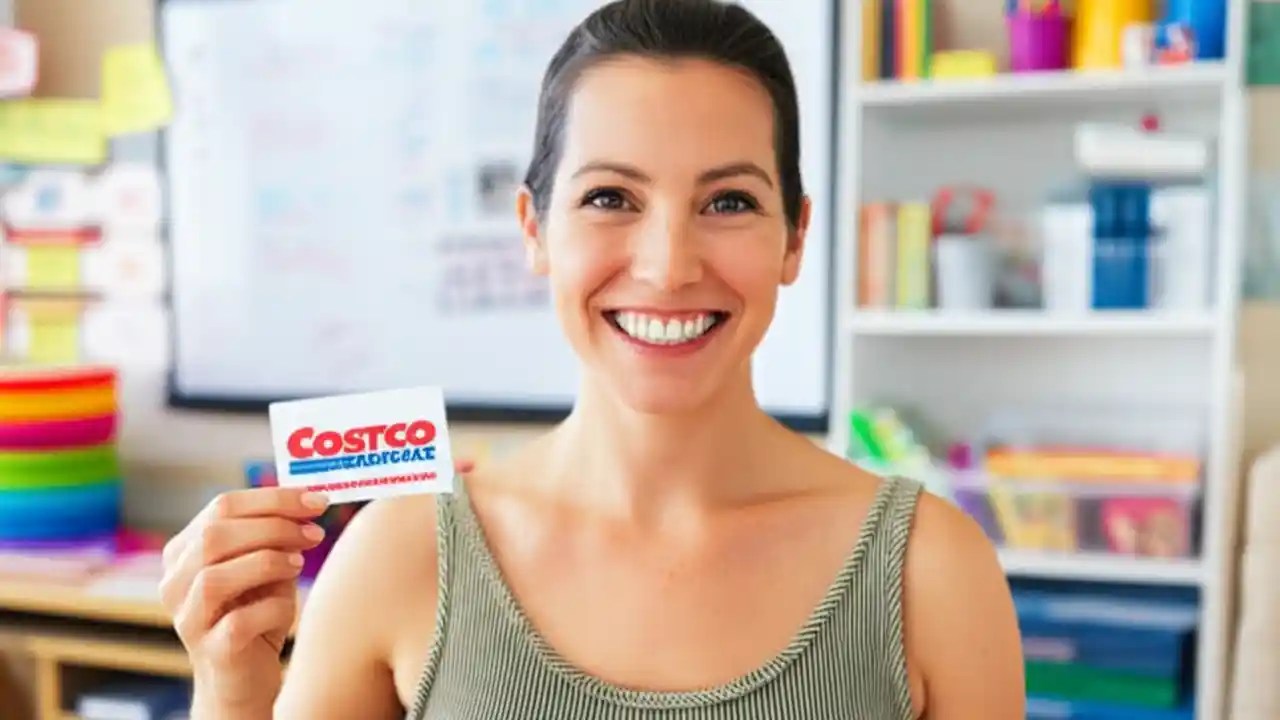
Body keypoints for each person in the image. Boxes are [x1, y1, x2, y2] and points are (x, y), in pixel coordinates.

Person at [159, 1, 1025, 717]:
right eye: (611, 196)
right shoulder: (399, 553)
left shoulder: (932, 572)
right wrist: (232, 688)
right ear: (534, 229)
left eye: (728, 201)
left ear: (795, 237)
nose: (668, 266)